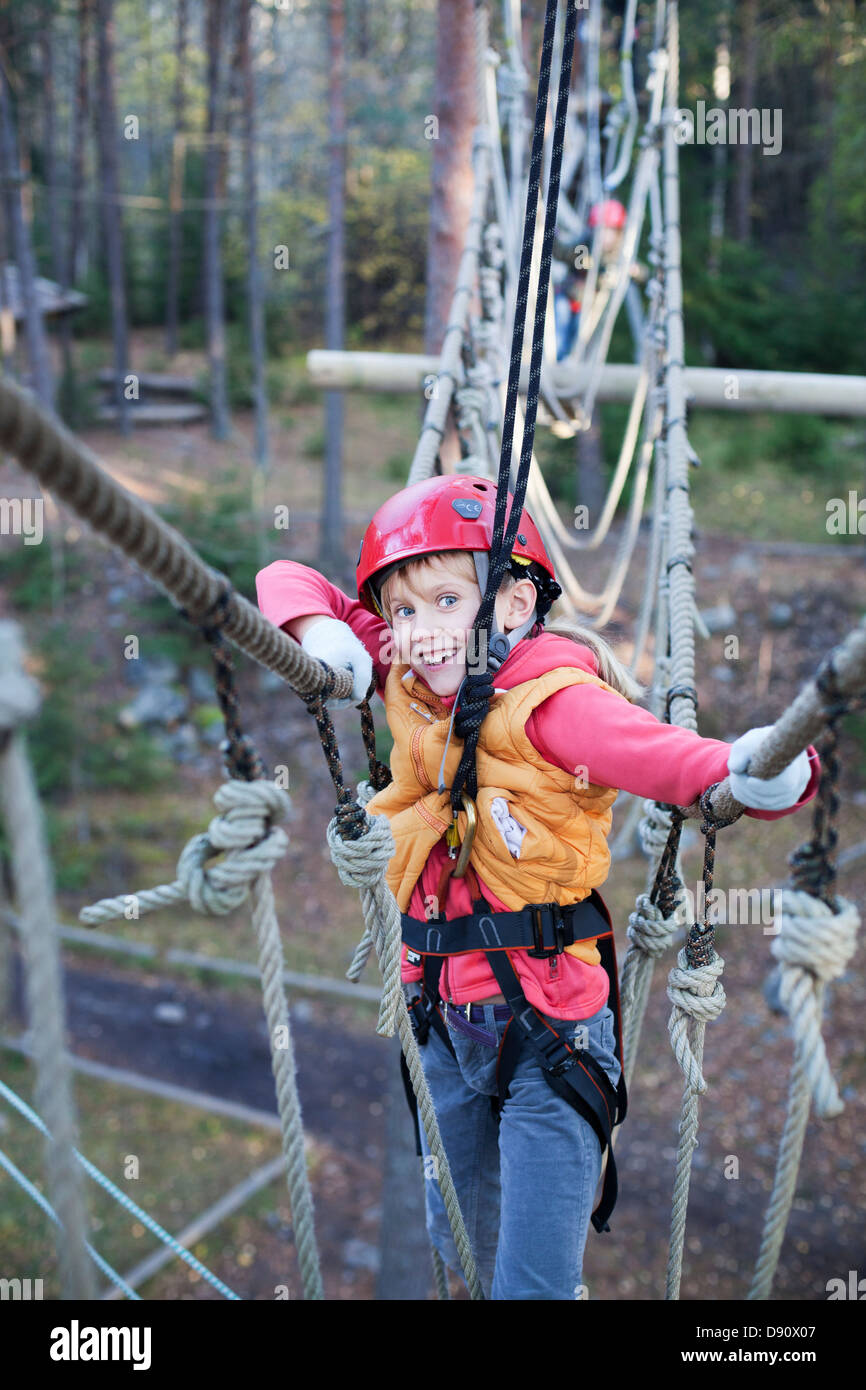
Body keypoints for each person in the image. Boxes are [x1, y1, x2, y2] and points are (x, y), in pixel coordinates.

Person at [255, 473, 820, 1300]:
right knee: (462, 1253)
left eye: (447, 602)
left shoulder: (555, 706)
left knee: (530, 1284)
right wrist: (322, 634)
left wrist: (758, 769)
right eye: (401, 612)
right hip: (441, 1027)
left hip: (549, 1038)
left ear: (513, 607)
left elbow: (662, 757)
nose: (419, 633)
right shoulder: (411, 673)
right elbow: (286, 577)